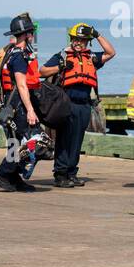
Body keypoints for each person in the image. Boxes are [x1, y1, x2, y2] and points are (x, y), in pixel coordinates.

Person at [42, 23, 115, 187]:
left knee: (77, 140)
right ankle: (60, 174)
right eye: (75, 39)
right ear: (71, 39)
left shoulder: (91, 58)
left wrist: (97, 34)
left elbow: (111, 52)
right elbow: (42, 71)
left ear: (87, 42)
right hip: (66, 104)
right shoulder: (62, 56)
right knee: (64, 139)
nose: (78, 42)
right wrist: (59, 67)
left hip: (84, 105)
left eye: (82, 40)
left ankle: (71, 173)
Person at [0, 13, 41, 193]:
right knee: (34, 141)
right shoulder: (19, 56)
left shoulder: (9, 52)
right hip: (17, 103)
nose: (32, 35)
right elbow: (21, 85)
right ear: (26, 34)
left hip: (8, 104)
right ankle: (3, 173)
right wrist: (30, 110)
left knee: (14, 142)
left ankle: (14, 178)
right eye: (30, 32)